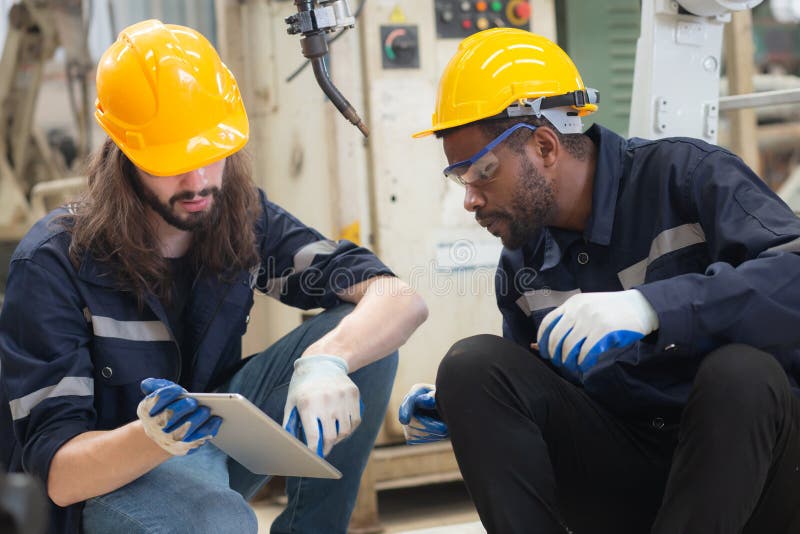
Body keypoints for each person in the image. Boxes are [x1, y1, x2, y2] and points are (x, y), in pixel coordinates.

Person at [0, 19, 428, 534]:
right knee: (219, 522)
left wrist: (327, 361)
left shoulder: (239, 216)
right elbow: (60, 476)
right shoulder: (53, 263)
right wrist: (151, 437)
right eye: (174, 162)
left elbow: (399, 298)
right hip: (107, 482)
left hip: (205, 445)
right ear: (125, 153)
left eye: (210, 155)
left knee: (365, 340)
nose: (199, 181)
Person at [399, 28, 800, 534]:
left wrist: (653, 308)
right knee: (473, 367)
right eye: (460, 177)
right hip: (630, 478)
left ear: (545, 145)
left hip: (749, 475)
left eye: (481, 172)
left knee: (741, 374)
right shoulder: (524, 263)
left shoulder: (687, 177)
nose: (470, 198)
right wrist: (467, 402)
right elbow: (540, 389)